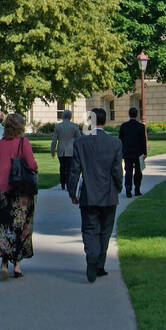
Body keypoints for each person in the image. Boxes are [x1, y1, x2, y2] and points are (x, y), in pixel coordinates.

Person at [69, 107, 123, 283]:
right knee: (105, 231)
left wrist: (72, 191)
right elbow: (117, 171)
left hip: (89, 193)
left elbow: (74, 170)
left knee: (90, 229)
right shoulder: (114, 143)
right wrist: (119, 187)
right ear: (105, 121)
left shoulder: (81, 143)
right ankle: (99, 264)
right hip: (108, 193)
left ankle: (92, 258)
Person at [0, 112, 38, 279]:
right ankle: (17, 265)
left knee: (4, 225)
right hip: (20, 190)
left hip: (0, 188)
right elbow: (31, 164)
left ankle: (4, 262)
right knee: (21, 226)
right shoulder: (23, 143)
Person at [118, 106, 148, 197]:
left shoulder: (124, 126)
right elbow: (143, 141)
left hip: (127, 153)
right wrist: (145, 153)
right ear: (137, 114)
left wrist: (121, 151)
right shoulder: (141, 126)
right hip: (138, 153)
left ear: (129, 114)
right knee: (138, 172)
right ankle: (137, 189)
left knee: (128, 172)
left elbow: (120, 140)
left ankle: (128, 189)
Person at [50, 109, 81, 189]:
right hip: (71, 149)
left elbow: (54, 140)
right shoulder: (74, 126)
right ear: (70, 117)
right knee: (69, 167)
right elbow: (79, 139)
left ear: (63, 116)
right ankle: (68, 182)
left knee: (62, 167)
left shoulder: (58, 126)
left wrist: (52, 150)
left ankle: (63, 183)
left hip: (61, 149)